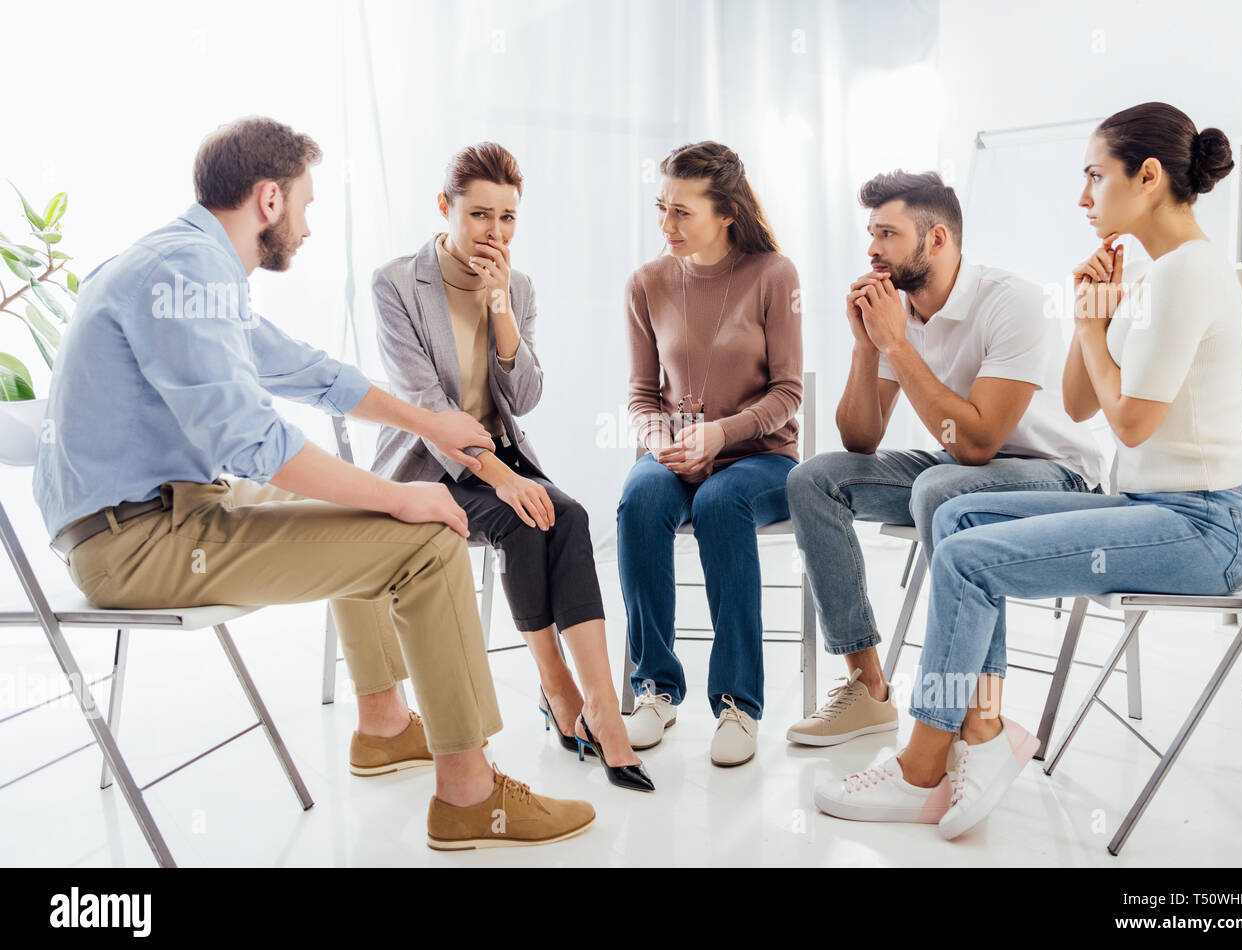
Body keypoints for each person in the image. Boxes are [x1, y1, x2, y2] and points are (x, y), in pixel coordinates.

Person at [34, 117, 595, 850]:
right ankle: (470, 795)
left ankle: (384, 724)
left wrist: (429, 425)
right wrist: (403, 493)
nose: (306, 222)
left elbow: (305, 370)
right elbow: (252, 441)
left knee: (351, 497)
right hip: (140, 542)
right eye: (304, 202)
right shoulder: (186, 274)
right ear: (269, 200)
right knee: (425, 535)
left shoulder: (178, 265)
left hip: (154, 519)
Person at [813, 102, 1242, 839]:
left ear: (1147, 177)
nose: (1083, 197)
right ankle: (984, 728)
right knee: (954, 514)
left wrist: (1090, 323)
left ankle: (928, 762)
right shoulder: (1155, 275)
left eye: (1095, 177)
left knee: (965, 554)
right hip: (1154, 506)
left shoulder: (1188, 276)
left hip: (1207, 525)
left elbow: (1130, 423)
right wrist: (1096, 311)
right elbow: (1085, 402)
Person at [784, 170, 1103, 747]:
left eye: (888, 233)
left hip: (1054, 475)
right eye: (871, 234)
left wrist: (897, 346)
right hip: (958, 468)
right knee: (814, 479)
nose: (873, 250)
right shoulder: (896, 312)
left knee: (943, 487)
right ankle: (867, 690)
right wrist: (867, 345)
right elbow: (859, 439)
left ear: (936, 240)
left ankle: (980, 713)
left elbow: (978, 443)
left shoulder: (1014, 301)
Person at [369, 142, 651, 792]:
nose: (494, 233)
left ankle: (602, 710)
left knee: (569, 514)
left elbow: (523, 398)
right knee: (525, 518)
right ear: (446, 207)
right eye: (478, 215)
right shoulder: (396, 284)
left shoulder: (517, 287)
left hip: (501, 459)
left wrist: (499, 311)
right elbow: (425, 408)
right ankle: (556, 685)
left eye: (507, 218)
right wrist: (503, 477)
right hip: (426, 473)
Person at [618, 141, 802, 767]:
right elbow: (643, 397)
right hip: (675, 451)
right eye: (660, 208)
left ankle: (737, 704)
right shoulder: (646, 283)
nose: (666, 226)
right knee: (638, 498)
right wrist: (660, 442)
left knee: (722, 503)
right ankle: (655, 688)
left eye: (682, 213)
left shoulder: (774, 275)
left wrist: (720, 436)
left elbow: (789, 393)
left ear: (726, 212)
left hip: (761, 457)